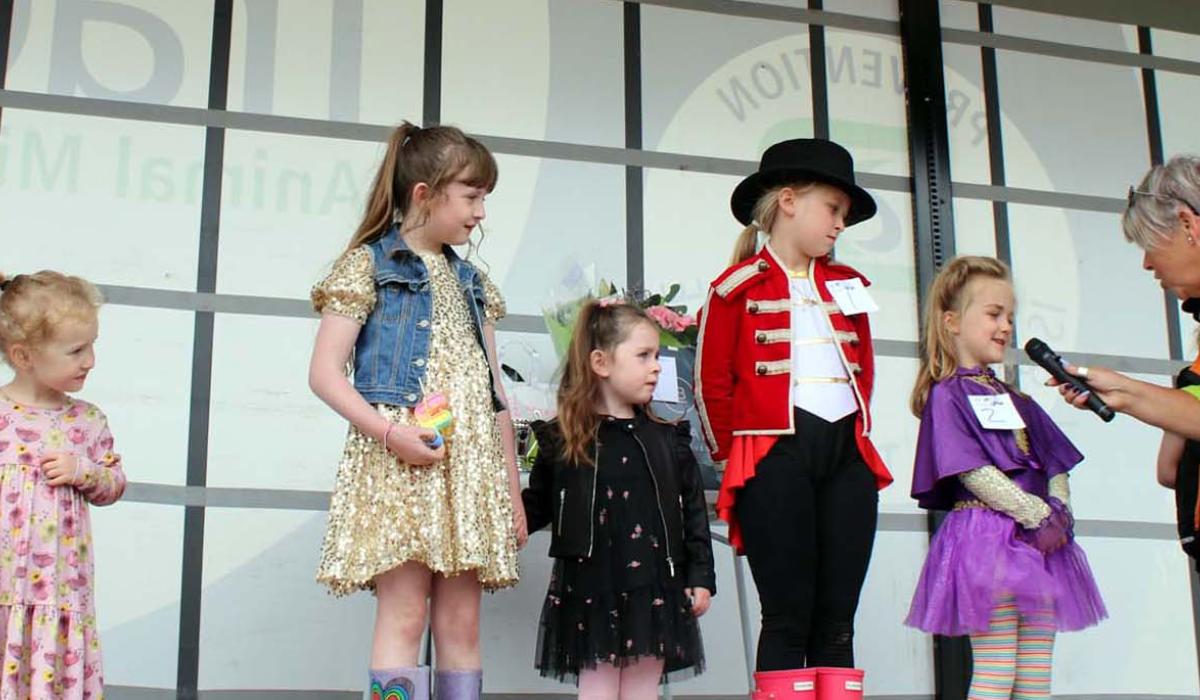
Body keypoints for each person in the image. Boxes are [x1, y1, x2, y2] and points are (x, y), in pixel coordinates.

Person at [307, 121, 526, 700]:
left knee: (462, 624)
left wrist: (511, 490)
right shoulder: (370, 265)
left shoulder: (473, 281)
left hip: (470, 470)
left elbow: (493, 394)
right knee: (404, 617)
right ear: (424, 194)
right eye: (472, 196)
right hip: (404, 465)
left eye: (484, 198)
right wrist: (389, 433)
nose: (480, 213)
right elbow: (325, 373)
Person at [694, 138, 892, 694]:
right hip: (772, 455)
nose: (839, 226)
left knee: (837, 621)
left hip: (846, 454)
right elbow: (712, 387)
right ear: (787, 201)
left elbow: (865, 373)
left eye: (844, 217)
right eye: (832, 209)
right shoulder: (734, 288)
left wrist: (853, 438)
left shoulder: (849, 287)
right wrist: (733, 459)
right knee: (786, 615)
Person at [905, 256, 1106, 699]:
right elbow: (972, 470)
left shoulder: (1018, 399)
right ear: (952, 321)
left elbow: (1053, 462)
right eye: (994, 314)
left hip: (1040, 544)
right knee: (997, 670)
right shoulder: (947, 394)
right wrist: (1035, 513)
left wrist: (1060, 511)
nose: (1005, 326)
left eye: (1010, 317)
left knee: (1035, 678)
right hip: (988, 542)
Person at [522, 300, 714, 699]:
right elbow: (537, 504)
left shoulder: (667, 437)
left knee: (644, 689)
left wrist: (700, 577)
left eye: (657, 355)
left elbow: (693, 512)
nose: (657, 366)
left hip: (653, 588)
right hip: (591, 588)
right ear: (601, 363)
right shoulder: (563, 439)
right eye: (643, 355)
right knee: (597, 688)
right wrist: (495, 527)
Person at [0, 271, 127, 698]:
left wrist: (84, 471)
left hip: (58, 589)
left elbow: (113, 482)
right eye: (76, 350)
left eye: (92, 346)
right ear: (23, 356)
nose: (89, 360)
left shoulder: (86, 421)